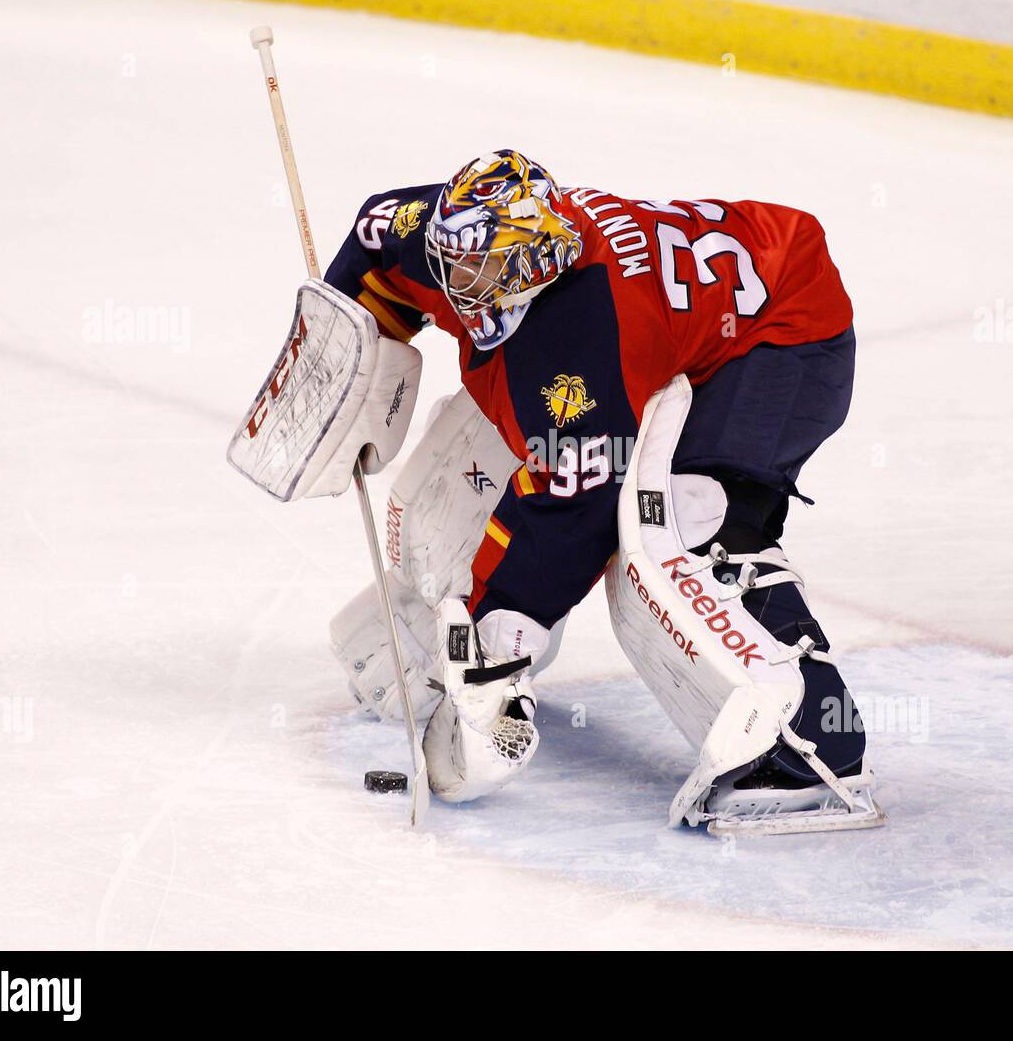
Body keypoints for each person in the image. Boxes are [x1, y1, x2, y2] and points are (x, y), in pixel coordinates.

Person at [323, 149, 883, 834]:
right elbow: (374, 240)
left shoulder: (581, 334)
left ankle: (814, 748)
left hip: (785, 330)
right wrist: (355, 355)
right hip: (695, 312)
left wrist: (499, 647)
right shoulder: (447, 233)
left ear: (536, 269)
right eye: (450, 260)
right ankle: (422, 643)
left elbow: (573, 510)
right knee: (497, 435)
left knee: (690, 517)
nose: (457, 281)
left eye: (483, 271)